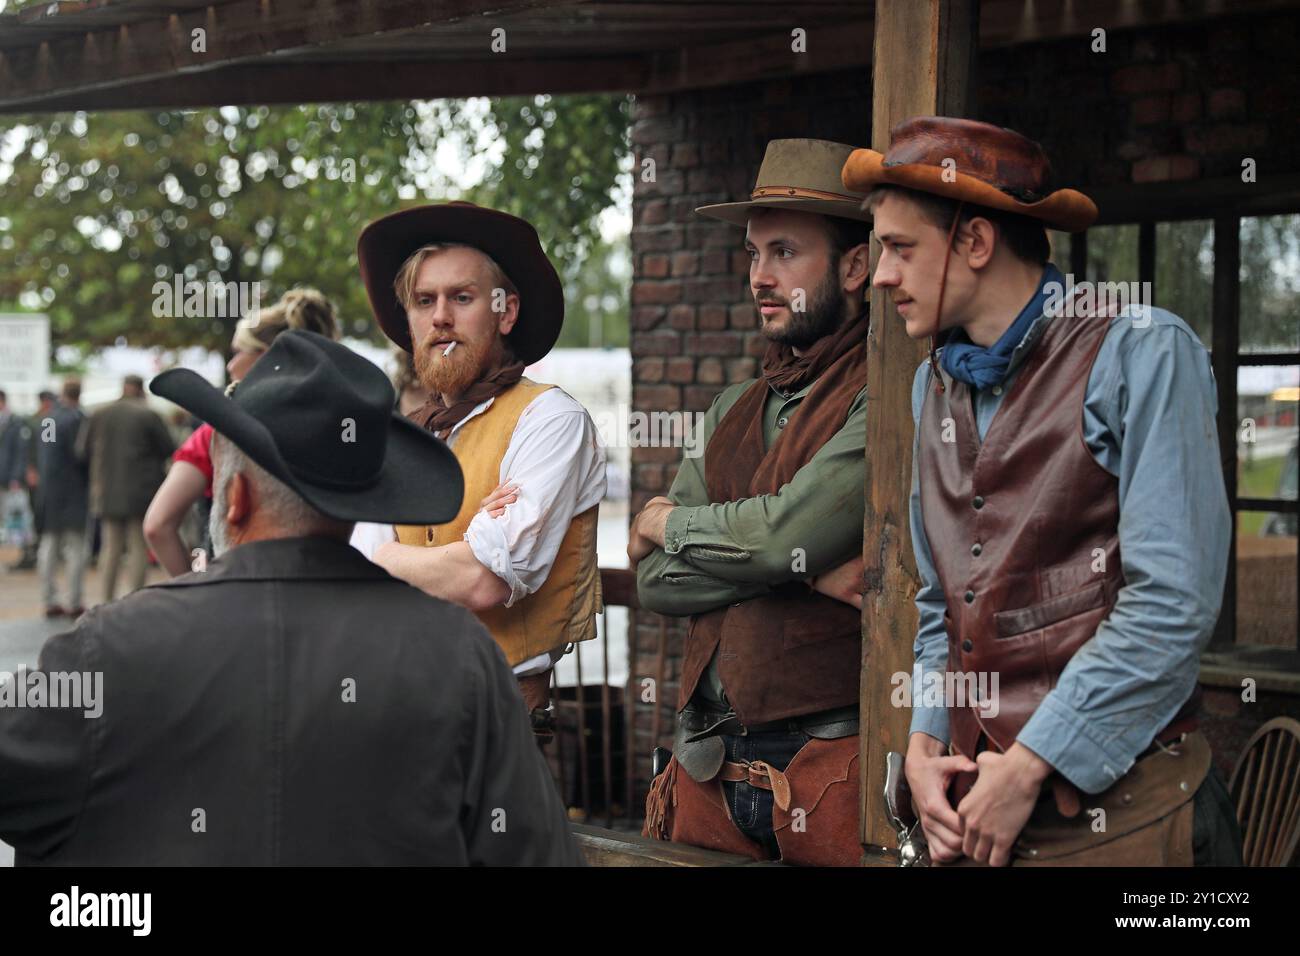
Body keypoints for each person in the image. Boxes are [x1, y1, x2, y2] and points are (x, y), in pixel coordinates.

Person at [0, 330, 581, 865]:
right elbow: (532, 855)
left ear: (234, 501)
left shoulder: (109, 648)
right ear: (360, 508)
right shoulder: (463, 660)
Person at [843, 115, 1242, 866]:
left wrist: (1030, 765)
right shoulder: (932, 385)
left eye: (899, 249)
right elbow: (943, 611)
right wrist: (925, 747)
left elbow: (1173, 605)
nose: (881, 275)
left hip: (1133, 826)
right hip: (981, 829)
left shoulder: (1143, 350)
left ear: (975, 241)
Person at [632, 139, 872, 865]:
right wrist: (807, 570)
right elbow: (653, 582)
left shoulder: (886, 396)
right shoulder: (732, 405)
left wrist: (672, 524)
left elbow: (773, 540)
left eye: (786, 252)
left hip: (831, 761)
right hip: (708, 760)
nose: (760, 277)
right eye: (753, 252)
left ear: (856, 267)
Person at [354, 202, 606, 744]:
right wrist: (459, 548)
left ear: (505, 312)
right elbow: (347, 574)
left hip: (497, 723)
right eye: (424, 301)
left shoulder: (550, 419)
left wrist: (383, 559)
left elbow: (483, 580)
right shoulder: (404, 435)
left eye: (461, 298)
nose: (440, 316)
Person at [145, 288, 340, 576]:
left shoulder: (217, 433)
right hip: (322, 586)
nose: (230, 364)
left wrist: (194, 592)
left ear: (267, 358)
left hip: (233, 588)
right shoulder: (338, 427)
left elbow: (157, 525)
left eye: (238, 352)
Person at [76, 374, 175, 602]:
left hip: (106, 491)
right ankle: (134, 599)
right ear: (141, 390)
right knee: (138, 547)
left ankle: (106, 599)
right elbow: (168, 448)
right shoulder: (148, 415)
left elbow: (82, 451)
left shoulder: (99, 414)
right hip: (141, 491)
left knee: (110, 548)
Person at [34, 379, 90, 618]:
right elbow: (82, 454)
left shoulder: (48, 418)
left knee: (48, 547)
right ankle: (74, 600)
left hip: (49, 491)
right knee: (76, 548)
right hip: (74, 490)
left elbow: (44, 453)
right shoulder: (77, 420)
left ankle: (48, 598)